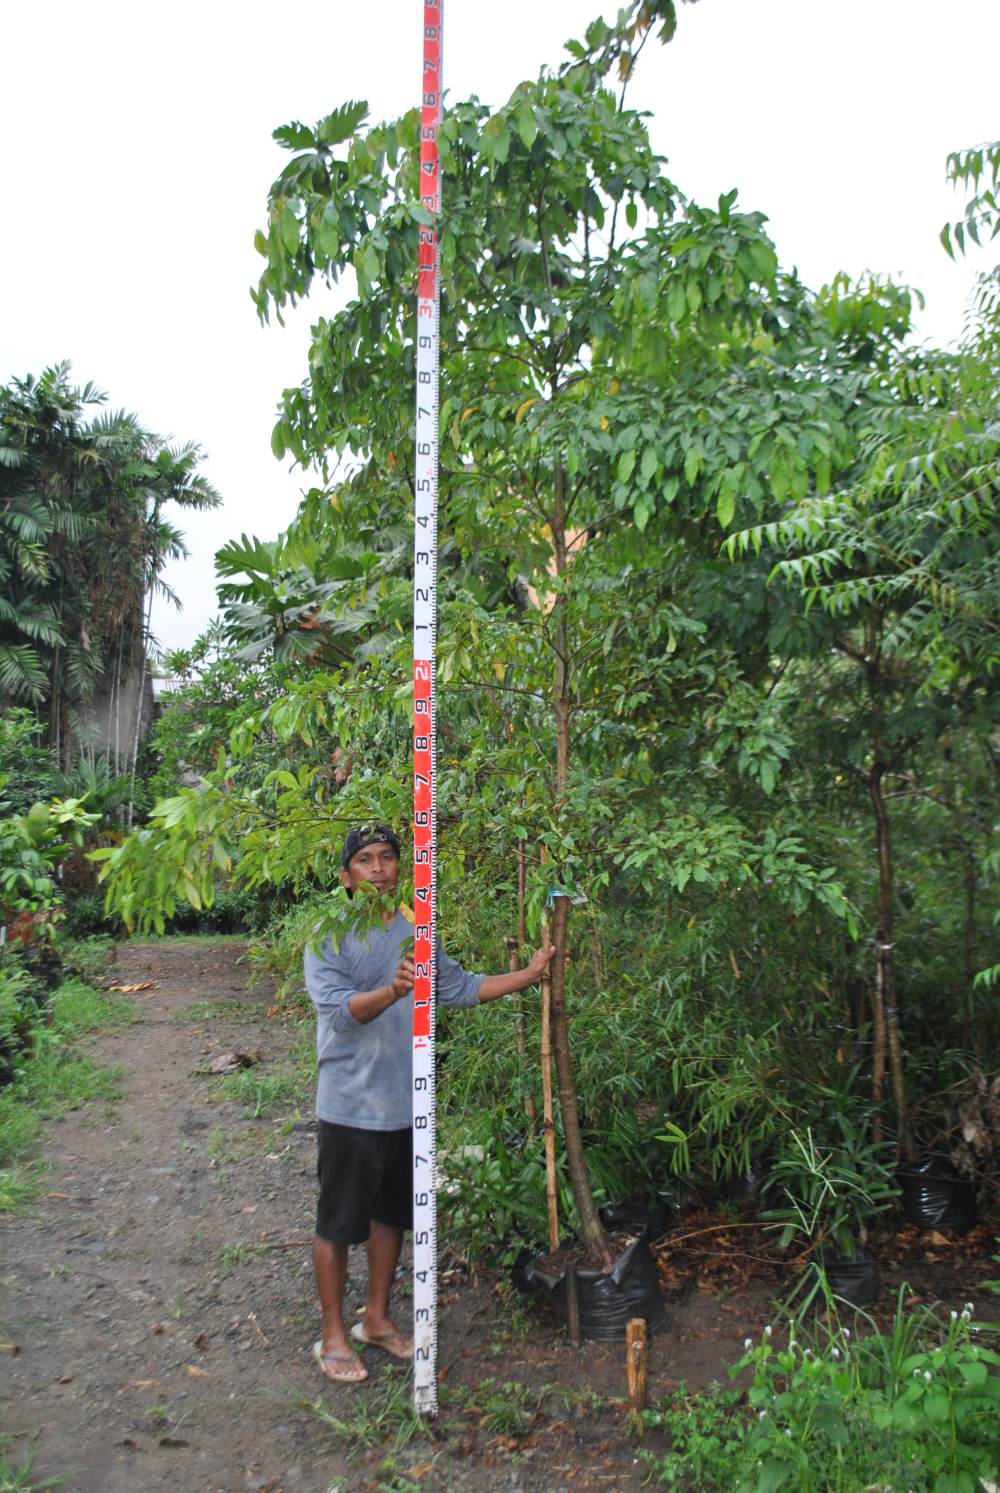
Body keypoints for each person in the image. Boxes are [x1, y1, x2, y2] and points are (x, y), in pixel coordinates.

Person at [304, 822, 554, 1383]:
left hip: (404, 1103)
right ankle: (333, 1335)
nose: (377, 868)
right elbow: (340, 1012)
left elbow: (457, 987)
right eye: (364, 859)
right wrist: (392, 991)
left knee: (391, 1216)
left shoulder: (419, 927)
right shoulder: (327, 935)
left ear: (399, 867)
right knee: (339, 1223)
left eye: (387, 857)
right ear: (345, 875)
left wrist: (530, 976)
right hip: (349, 1106)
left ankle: (376, 1319)